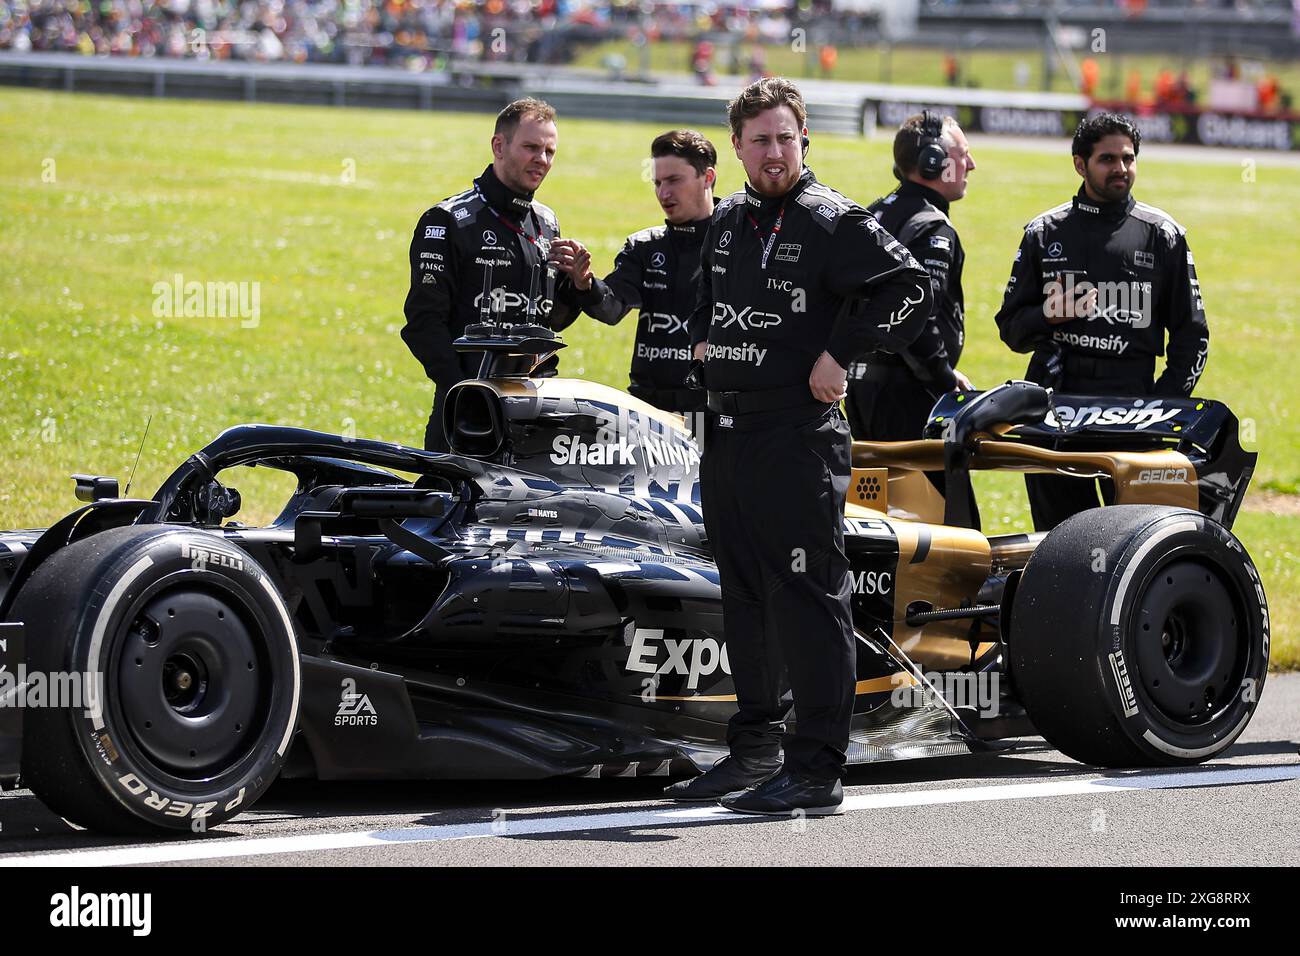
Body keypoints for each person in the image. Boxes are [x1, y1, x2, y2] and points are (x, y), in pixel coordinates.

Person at [666, 77, 931, 815]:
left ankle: (816, 770)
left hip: (799, 437)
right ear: (738, 149)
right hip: (729, 436)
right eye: (760, 140)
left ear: (802, 138)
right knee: (745, 599)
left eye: (786, 137)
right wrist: (702, 344)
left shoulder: (831, 219)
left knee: (810, 600)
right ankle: (753, 752)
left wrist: (843, 353)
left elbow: (909, 288)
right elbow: (703, 304)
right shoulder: (724, 223)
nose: (775, 152)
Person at [994, 112, 1209, 532]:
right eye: (1108, 160)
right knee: (1059, 539)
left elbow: (1193, 335)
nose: (1121, 169)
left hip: (1132, 411)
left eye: (1128, 159)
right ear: (1080, 164)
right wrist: (1048, 315)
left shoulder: (1163, 235)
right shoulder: (1043, 232)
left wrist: (1163, 406)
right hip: (1056, 408)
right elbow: (1011, 329)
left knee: (1133, 540)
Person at [401, 97, 591, 451]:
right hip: (468, 410)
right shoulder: (447, 221)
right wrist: (466, 393)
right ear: (498, 146)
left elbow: (549, 321)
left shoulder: (547, 223)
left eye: (550, 151)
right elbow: (423, 325)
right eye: (531, 147)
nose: (542, 160)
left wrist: (577, 286)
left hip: (538, 405)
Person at [847, 112, 976, 502]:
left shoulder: (872, 213)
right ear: (933, 161)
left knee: (877, 513)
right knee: (948, 517)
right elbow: (919, 317)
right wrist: (944, 377)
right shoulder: (930, 227)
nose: (970, 164)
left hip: (861, 387)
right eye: (963, 155)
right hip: (908, 396)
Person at [551, 130, 717, 419]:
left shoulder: (735, 245)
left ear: (708, 178)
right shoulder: (643, 247)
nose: (663, 193)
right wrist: (585, 284)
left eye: (674, 180)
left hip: (707, 409)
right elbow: (612, 308)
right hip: (646, 408)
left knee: (702, 465)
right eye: (657, 182)